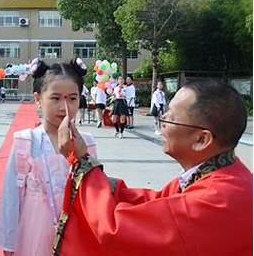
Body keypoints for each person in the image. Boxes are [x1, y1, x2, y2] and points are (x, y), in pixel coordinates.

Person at [53, 79, 253, 256]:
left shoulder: (215, 200)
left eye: (171, 118)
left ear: (202, 139)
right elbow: (155, 202)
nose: (161, 122)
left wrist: (83, 162)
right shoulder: (224, 174)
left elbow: (117, 229)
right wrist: (100, 181)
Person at [0, 58, 98, 256]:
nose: (64, 106)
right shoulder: (25, 141)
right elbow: (10, 198)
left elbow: (95, 192)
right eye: (56, 98)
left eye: (72, 98)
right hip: (34, 232)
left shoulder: (87, 144)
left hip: (76, 234)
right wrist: (9, 245)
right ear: (38, 98)